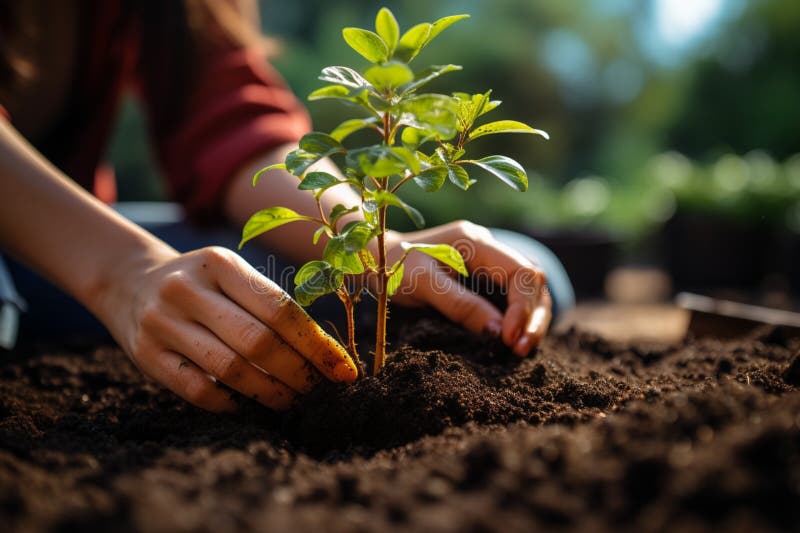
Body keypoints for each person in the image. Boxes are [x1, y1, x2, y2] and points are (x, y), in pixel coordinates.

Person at [0, 1, 573, 412]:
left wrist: (383, 250)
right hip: (71, 260)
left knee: (501, 277)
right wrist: (122, 274)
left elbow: (234, 127)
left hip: (78, 260)